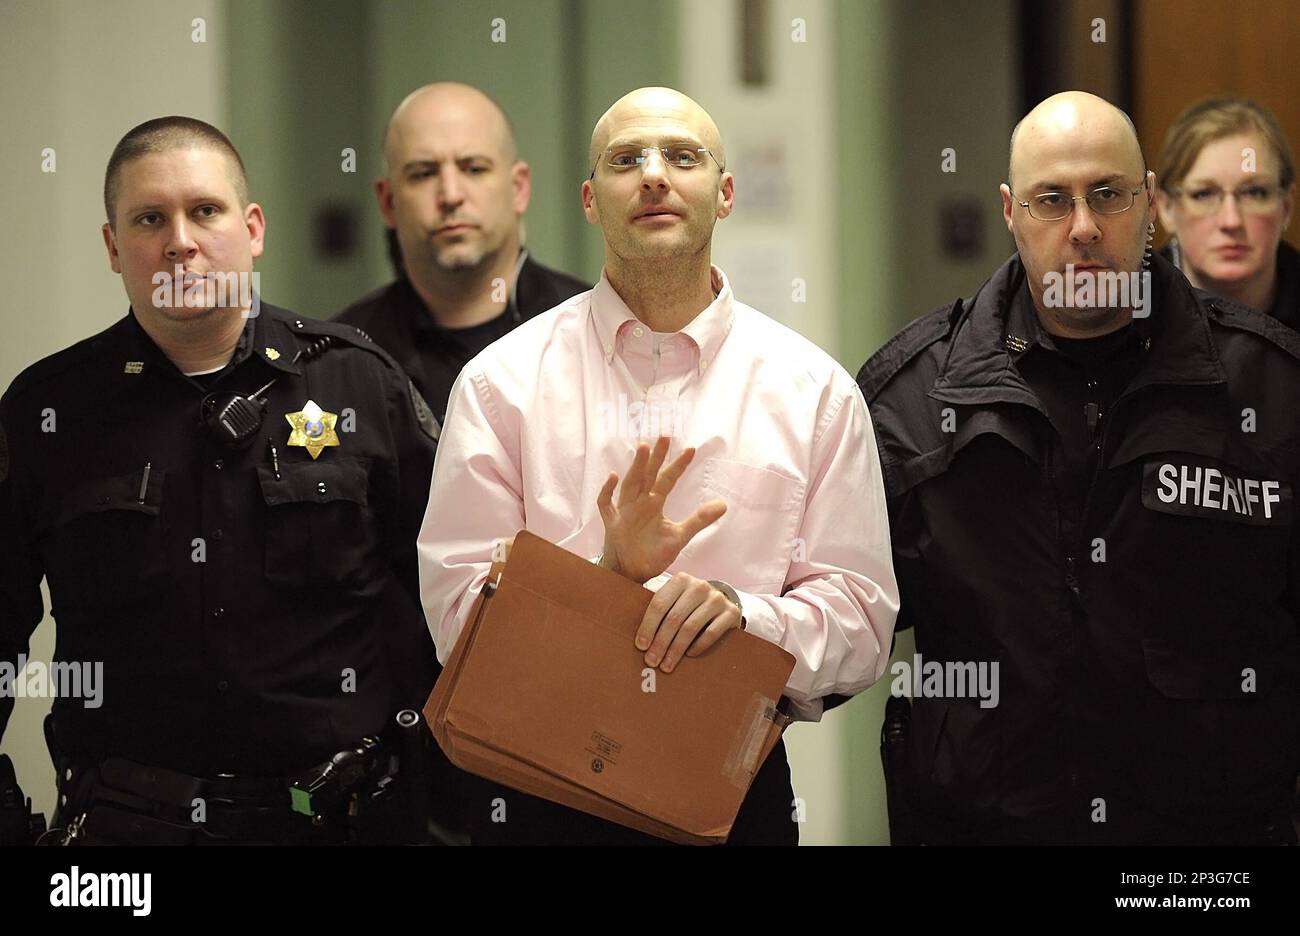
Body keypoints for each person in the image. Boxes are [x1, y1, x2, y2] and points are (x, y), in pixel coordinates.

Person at [417, 87, 899, 845]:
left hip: (733, 800)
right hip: (541, 798)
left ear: (726, 192)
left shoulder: (814, 393)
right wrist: (604, 582)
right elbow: (455, 621)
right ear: (588, 199)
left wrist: (744, 616)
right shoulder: (499, 384)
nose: (653, 176)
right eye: (624, 160)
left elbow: (864, 620)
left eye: (682, 156)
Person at [858, 91, 1300, 844]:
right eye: (1051, 201)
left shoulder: (1270, 387)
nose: (1085, 227)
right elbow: (838, 626)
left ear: (1152, 201)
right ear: (1009, 211)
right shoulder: (911, 400)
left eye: (1108, 195)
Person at [0, 117, 438, 844]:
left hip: (340, 819)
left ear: (253, 228)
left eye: (205, 210)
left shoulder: (361, 383)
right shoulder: (49, 410)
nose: (180, 239)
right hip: (128, 837)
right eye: (149, 219)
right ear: (114, 248)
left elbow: (452, 606)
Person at [335, 82, 589, 427]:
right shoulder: (344, 355)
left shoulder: (595, 331)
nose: (451, 195)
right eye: (424, 174)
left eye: (473, 169)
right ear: (388, 202)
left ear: (519, 189)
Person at [1155, 96, 1297, 327]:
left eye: (1254, 193)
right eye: (1203, 194)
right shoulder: (1127, 314)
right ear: (1166, 209)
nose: (1231, 221)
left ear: (1286, 206)